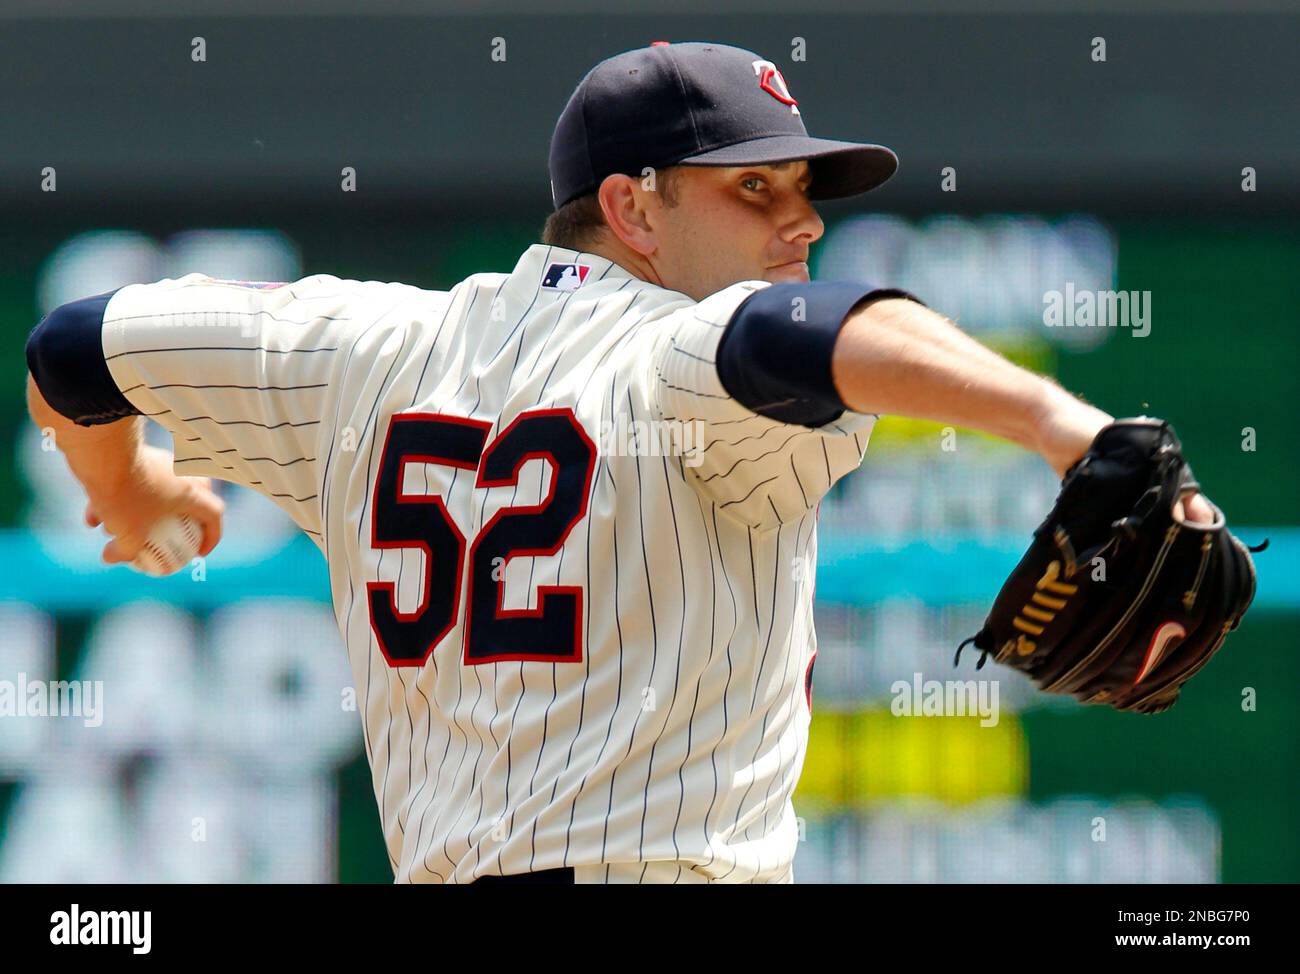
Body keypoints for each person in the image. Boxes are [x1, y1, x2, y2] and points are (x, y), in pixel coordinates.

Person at [24, 41, 1213, 884]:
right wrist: (1068, 428)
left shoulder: (366, 346)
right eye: (755, 189)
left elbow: (74, 346)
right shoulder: (672, 353)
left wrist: (125, 488)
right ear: (632, 211)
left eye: (803, 194)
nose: (797, 225)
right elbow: (800, 334)